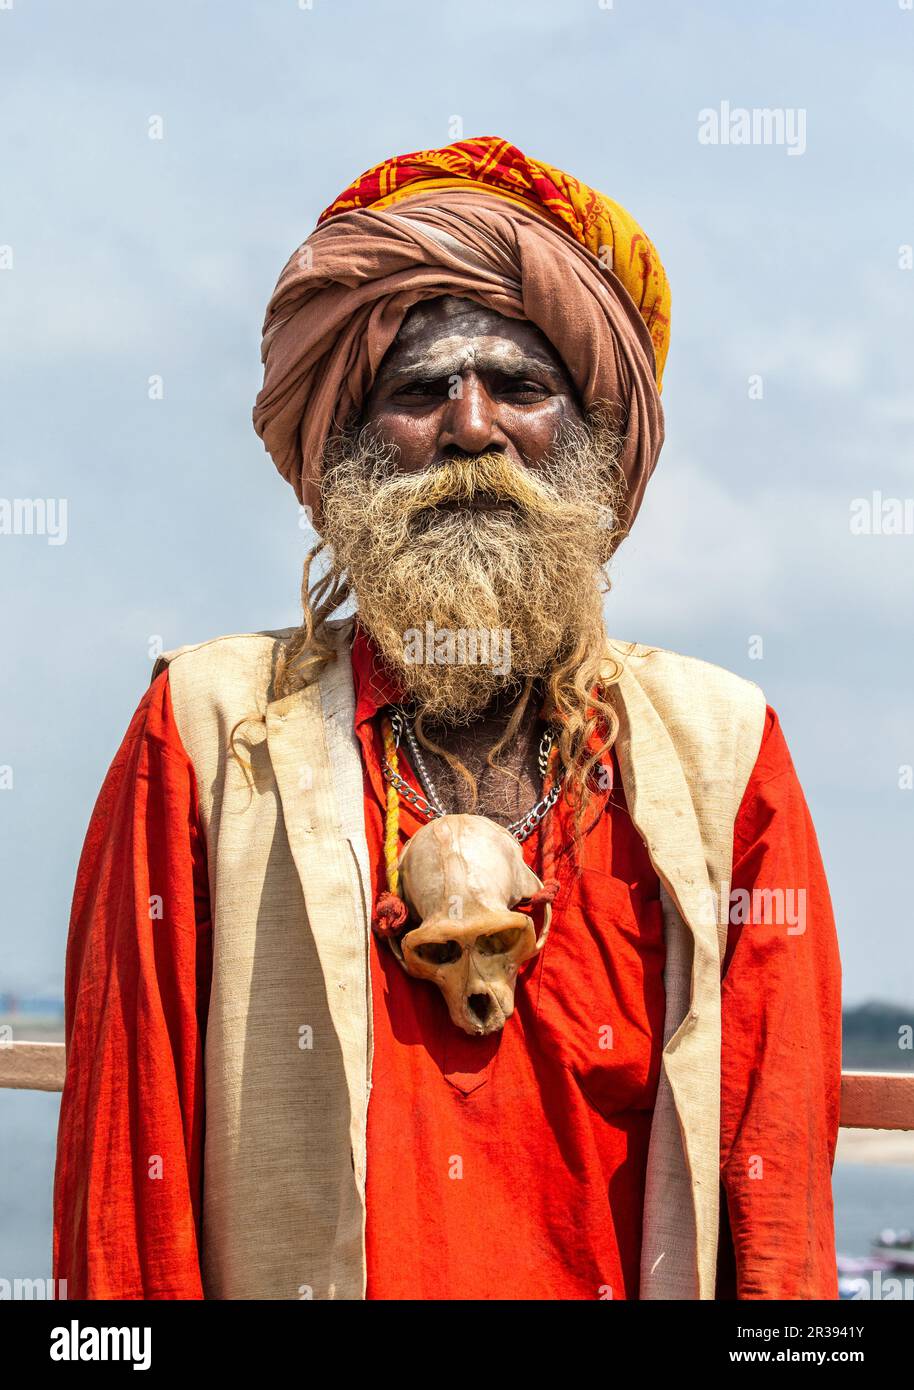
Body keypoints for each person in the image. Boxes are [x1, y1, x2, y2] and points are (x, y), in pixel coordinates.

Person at [53, 136, 841, 1300]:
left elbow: (775, 1227)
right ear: (337, 449)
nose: (472, 426)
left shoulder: (720, 754)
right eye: (418, 390)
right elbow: (129, 1206)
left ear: (595, 439)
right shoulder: (207, 735)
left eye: (520, 386)